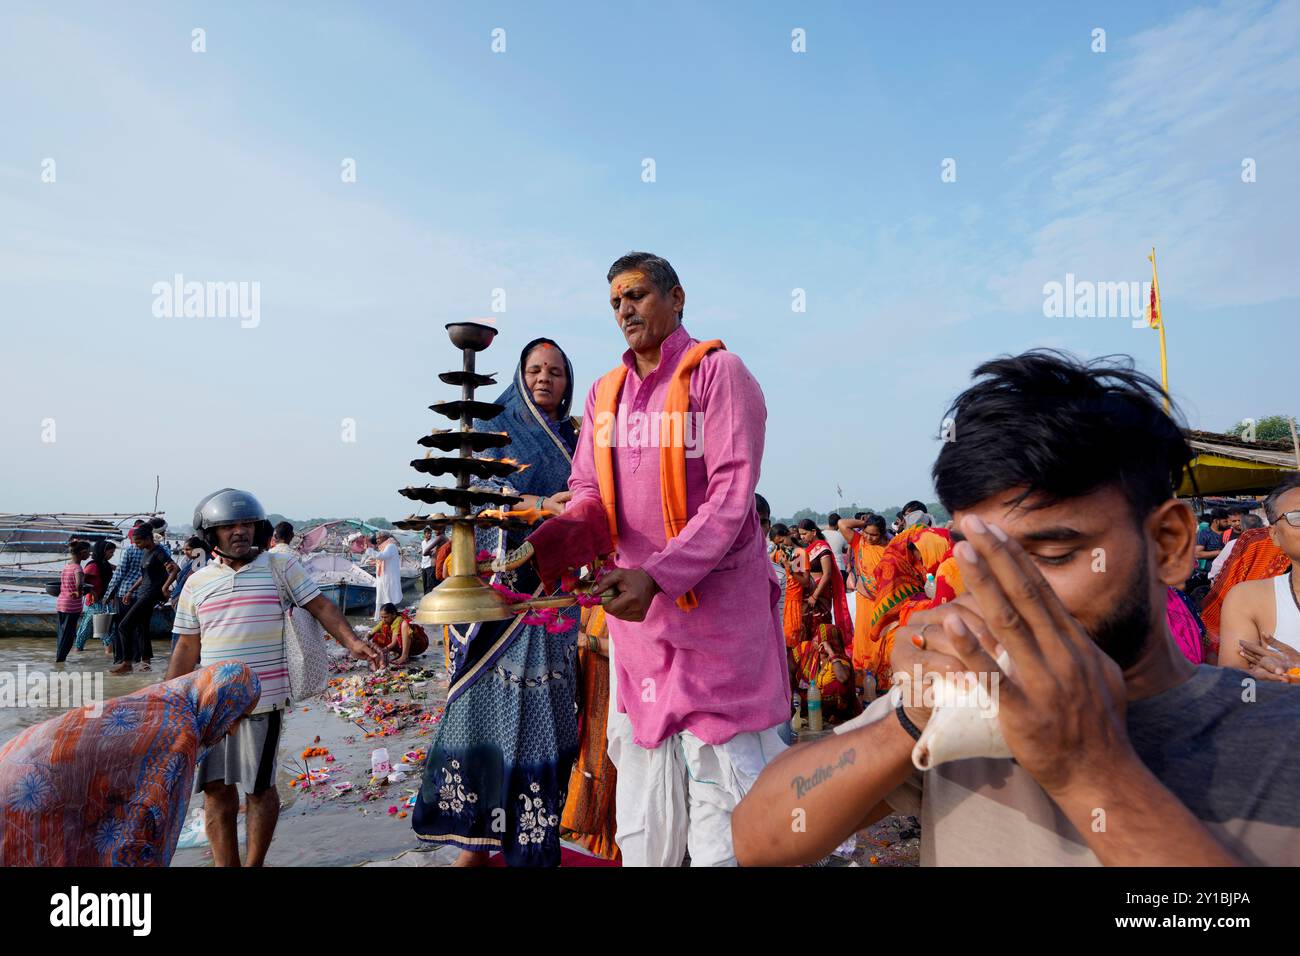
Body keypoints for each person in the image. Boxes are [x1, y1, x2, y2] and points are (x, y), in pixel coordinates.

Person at [733, 350, 1300, 866]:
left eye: (1052, 554)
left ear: (1170, 545)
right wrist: (910, 721)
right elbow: (759, 840)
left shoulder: (1276, 738)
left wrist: (1089, 773)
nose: (1008, 601)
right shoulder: (970, 706)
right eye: (981, 563)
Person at [528, 251, 790, 867]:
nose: (626, 310)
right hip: (639, 623)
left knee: (723, 793)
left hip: (716, 619)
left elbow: (731, 495)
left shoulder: (719, 374)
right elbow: (590, 493)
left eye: (638, 295)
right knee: (645, 803)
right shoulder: (603, 393)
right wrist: (548, 550)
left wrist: (659, 574)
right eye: (616, 301)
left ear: (677, 299)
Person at [412, 337, 582, 867]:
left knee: (546, 720)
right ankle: (473, 841)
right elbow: (480, 499)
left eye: (555, 371)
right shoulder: (494, 434)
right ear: (519, 374)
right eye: (534, 369)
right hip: (500, 600)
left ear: (568, 381)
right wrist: (537, 506)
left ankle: (531, 841)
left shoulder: (577, 439)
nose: (544, 379)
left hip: (554, 601)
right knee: (482, 717)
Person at [167, 488, 381, 867]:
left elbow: (320, 606)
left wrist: (352, 641)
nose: (240, 532)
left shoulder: (280, 568)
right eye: (229, 526)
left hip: (263, 700)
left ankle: (254, 865)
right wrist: (167, 700)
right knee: (216, 790)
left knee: (259, 788)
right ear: (210, 534)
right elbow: (186, 647)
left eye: (246, 524)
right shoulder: (196, 584)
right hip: (212, 703)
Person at [0, 662, 259, 866]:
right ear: (220, 699)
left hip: (14, 759)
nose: (234, 730)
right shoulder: (180, 737)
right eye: (237, 716)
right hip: (33, 789)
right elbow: (144, 826)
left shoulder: (166, 697)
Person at [1217, 475, 1300, 673]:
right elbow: (1234, 689)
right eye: (1297, 518)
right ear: (1274, 535)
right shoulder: (1249, 599)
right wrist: (1257, 687)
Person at [559, 604, 620, 861]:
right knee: (589, 757)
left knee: (609, 764)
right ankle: (590, 829)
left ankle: (609, 839)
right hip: (591, 695)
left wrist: (589, 642)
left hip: (615, 697)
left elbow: (628, 651)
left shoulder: (631, 594)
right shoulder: (592, 597)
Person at [108, 523, 179, 674]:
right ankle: (146, 663)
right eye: (135, 543)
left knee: (124, 626)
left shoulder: (159, 551)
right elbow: (143, 575)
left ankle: (127, 663)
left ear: (148, 539)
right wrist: (130, 591)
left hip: (151, 593)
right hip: (142, 591)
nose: (137, 545)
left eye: (139, 542)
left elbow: (174, 569)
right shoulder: (146, 552)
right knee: (142, 627)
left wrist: (165, 587)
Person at [838, 514, 888, 679]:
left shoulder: (890, 548)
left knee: (881, 636)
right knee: (864, 635)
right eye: (867, 533)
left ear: (882, 534)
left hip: (883, 601)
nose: (869, 537)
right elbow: (842, 523)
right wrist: (865, 523)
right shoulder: (860, 542)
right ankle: (862, 674)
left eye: (874, 535)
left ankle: (880, 675)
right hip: (865, 598)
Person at [74, 539, 116, 654]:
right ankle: (108, 652)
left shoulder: (104, 564)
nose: (112, 555)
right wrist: (92, 592)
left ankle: (78, 649)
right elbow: (81, 581)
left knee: (90, 627)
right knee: (101, 629)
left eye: (113, 553)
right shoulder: (93, 566)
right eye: (110, 552)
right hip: (95, 601)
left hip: (104, 601)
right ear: (103, 551)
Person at [54, 540, 90, 662]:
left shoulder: (67, 566)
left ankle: (59, 658)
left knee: (61, 633)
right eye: (88, 552)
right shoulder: (78, 568)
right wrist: (79, 593)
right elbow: (79, 583)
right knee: (68, 635)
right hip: (71, 605)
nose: (89, 555)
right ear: (82, 553)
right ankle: (60, 660)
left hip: (61, 603)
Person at [1210, 513, 1264, 580]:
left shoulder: (1234, 544)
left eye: (1239, 521)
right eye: (1234, 521)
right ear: (1262, 526)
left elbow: (1217, 566)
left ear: (1242, 527)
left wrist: (1213, 579)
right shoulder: (1272, 542)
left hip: (1240, 582)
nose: (1237, 523)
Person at [369, 531, 404, 619]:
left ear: (384, 538)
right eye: (376, 538)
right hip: (382, 578)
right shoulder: (384, 547)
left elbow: (383, 556)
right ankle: (379, 618)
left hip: (388, 577)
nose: (377, 540)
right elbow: (381, 558)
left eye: (378, 538)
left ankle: (390, 618)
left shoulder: (390, 546)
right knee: (380, 598)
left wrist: (368, 550)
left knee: (388, 598)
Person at [822, 513, 849, 584]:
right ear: (838, 524)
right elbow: (846, 549)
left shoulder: (821, 535)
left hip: (825, 569)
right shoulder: (841, 535)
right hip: (840, 567)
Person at [419, 527, 443, 594]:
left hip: (430, 564)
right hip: (423, 565)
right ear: (424, 534)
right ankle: (425, 597)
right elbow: (423, 552)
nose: (429, 535)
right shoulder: (422, 542)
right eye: (428, 533)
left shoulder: (433, 541)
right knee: (424, 583)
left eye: (430, 533)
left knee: (430, 583)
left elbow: (434, 552)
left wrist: (429, 553)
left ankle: (430, 597)